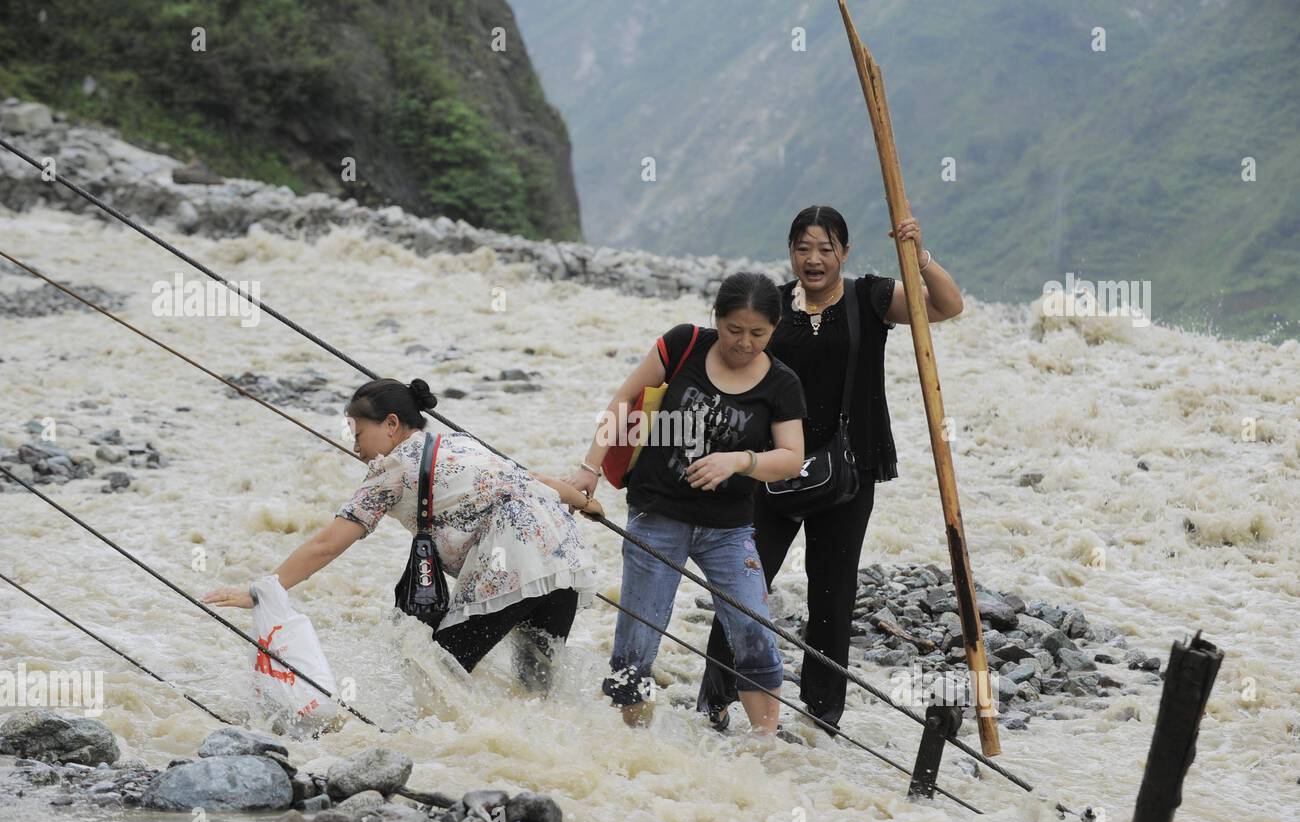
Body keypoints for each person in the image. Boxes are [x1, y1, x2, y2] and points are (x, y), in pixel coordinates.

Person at [696, 206, 964, 736]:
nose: (813, 259)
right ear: (791, 251)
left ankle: (822, 717)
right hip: (771, 468)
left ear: (845, 252)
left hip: (847, 471)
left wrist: (920, 256)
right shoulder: (771, 305)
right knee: (744, 586)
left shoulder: (872, 298)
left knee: (832, 594)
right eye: (803, 248)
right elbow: (730, 363)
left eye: (825, 248)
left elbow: (946, 307)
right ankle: (715, 700)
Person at [204, 377, 604, 689]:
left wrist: (261, 592)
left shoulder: (392, 470)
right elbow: (530, 478)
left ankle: (451, 756)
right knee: (536, 684)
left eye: (357, 434)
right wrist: (584, 504)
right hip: (564, 561)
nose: (355, 447)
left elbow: (326, 544)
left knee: (437, 672)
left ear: (391, 425)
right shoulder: (458, 443)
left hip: (515, 567)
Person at [565, 272, 807, 734]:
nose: (744, 343)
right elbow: (624, 399)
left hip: (729, 529)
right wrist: (589, 468)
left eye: (758, 334)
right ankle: (629, 743)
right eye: (735, 330)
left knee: (753, 629)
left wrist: (738, 460)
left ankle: (766, 745)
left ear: (774, 329)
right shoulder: (684, 344)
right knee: (638, 640)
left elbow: (792, 458)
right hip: (658, 515)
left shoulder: (781, 383)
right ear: (717, 318)